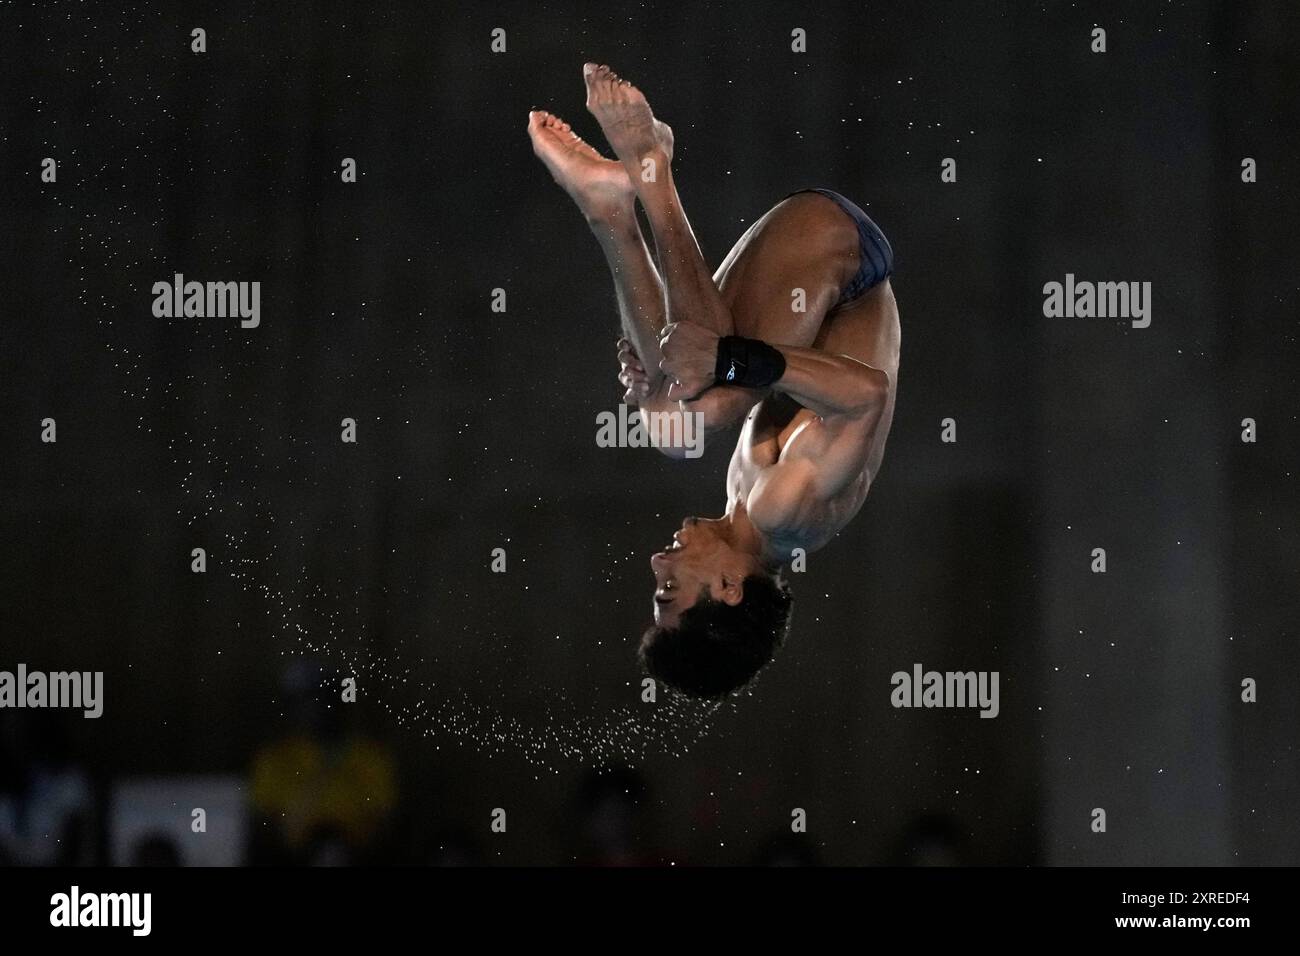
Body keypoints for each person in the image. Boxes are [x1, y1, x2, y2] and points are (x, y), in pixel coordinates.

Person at [527, 64, 900, 698]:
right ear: (728, 590)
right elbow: (867, 395)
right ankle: (649, 169)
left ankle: (611, 212)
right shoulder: (789, 513)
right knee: (706, 406)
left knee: (669, 419)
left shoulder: (743, 503)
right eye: (670, 588)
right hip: (845, 260)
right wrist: (724, 364)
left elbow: (725, 355)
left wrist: (662, 371)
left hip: (809, 279)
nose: (656, 563)